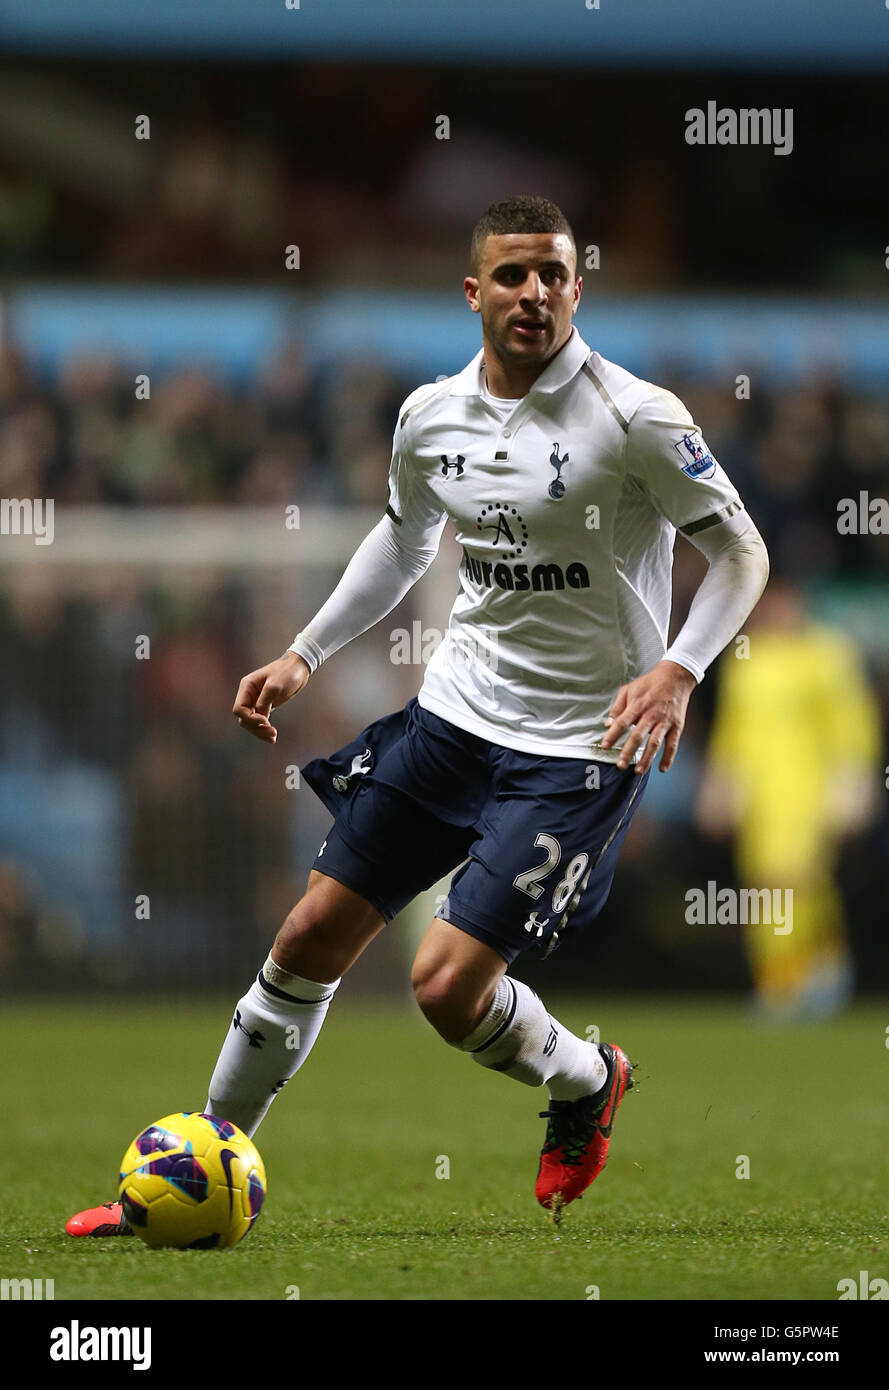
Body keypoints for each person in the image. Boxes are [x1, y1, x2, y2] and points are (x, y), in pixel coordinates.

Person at [67, 195, 769, 1237]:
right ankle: (196, 1157)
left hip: (576, 749)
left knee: (442, 989)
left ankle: (584, 1077)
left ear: (578, 286)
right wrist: (304, 653)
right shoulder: (430, 414)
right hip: (452, 719)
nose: (534, 293)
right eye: (513, 274)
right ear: (473, 290)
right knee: (306, 937)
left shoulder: (637, 417)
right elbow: (401, 544)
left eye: (554, 274)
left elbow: (742, 552)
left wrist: (677, 669)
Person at [695, 577, 882, 1018]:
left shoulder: (828, 653)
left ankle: (808, 971)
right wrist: (720, 783)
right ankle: (793, 973)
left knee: (796, 880)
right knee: (765, 886)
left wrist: (854, 780)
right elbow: (732, 730)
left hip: (809, 790)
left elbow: (852, 721)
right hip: (760, 797)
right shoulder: (748, 658)